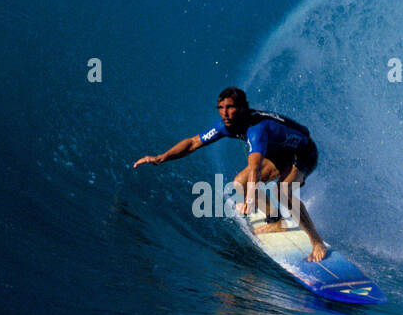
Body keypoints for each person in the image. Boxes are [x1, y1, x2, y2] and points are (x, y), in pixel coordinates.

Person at [133, 86, 328, 262]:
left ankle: (316, 241)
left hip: (302, 153)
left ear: (243, 108)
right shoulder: (226, 126)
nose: (225, 113)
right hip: (279, 153)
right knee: (239, 183)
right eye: (220, 108)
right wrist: (161, 157)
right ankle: (275, 220)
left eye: (230, 107)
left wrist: (250, 201)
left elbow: (255, 168)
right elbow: (193, 142)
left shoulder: (256, 129)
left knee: (282, 192)